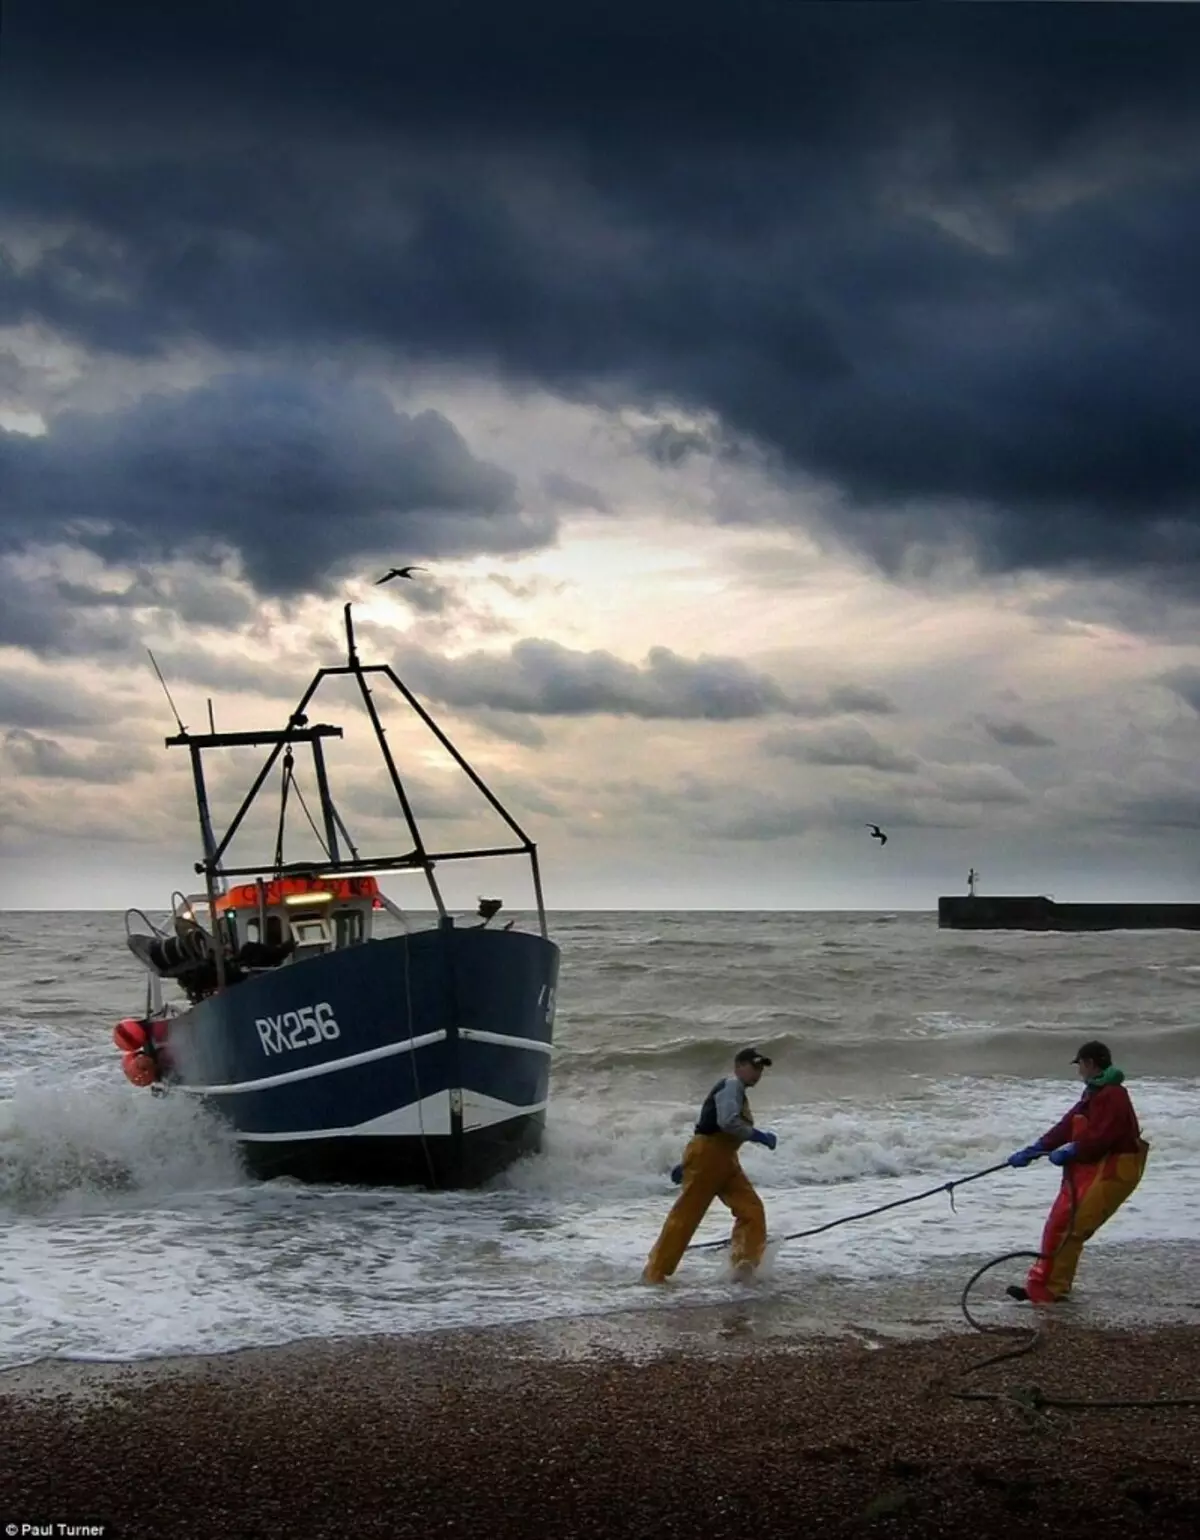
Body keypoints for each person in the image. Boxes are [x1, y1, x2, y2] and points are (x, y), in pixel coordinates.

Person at [1005, 1039, 1148, 1305]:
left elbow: (1104, 1136)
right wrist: (1037, 1148)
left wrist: (1074, 1150)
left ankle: (1052, 1290)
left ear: (1090, 1063)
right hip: (1092, 1167)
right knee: (1059, 1224)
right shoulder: (1094, 1092)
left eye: (1080, 1065)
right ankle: (1043, 1286)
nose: (1079, 1071)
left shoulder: (1113, 1094)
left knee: (1071, 1228)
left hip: (1115, 1170)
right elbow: (1067, 1124)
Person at [641, 1047, 778, 1284]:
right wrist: (758, 1135)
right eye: (754, 1066)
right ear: (739, 1066)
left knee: (751, 1210)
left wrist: (686, 1165)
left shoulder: (737, 1090)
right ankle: (655, 1273)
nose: (758, 1073)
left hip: (724, 1159)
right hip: (709, 1156)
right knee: (685, 1217)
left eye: (761, 1069)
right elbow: (727, 1122)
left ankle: (744, 1268)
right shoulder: (731, 1085)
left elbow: (707, 1125)